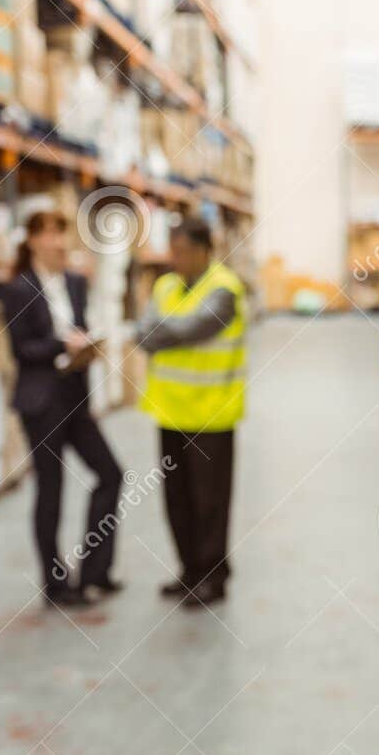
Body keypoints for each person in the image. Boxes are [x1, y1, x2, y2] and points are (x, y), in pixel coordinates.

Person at [3, 209, 125, 607]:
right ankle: (55, 585)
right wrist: (62, 345)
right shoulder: (20, 289)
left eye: (61, 233)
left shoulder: (75, 282)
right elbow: (22, 350)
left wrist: (85, 346)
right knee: (50, 489)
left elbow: (79, 327)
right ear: (33, 240)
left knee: (110, 473)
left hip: (74, 395)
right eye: (49, 234)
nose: (58, 242)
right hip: (41, 401)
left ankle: (96, 572)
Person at [136, 216, 247, 607]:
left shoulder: (224, 290)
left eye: (182, 252)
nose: (175, 259)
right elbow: (142, 332)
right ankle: (189, 571)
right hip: (169, 413)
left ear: (204, 251)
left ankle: (214, 576)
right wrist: (159, 332)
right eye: (173, 251)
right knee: (177, 500)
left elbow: (194, 329)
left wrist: (159, 332)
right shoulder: (164, 285)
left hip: (212, 416)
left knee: (210, 502)